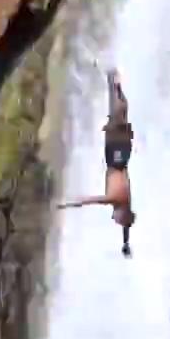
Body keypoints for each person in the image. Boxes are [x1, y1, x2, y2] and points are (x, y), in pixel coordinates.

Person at [58, 67, 137, 256]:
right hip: (117, 159)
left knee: (116, 120)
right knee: (117, 121)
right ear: (122, 214)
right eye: (117, 218)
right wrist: (67, 204)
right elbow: (90, 201)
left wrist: (125, 243)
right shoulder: (116, 199)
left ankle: (114, 85)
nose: (114, 219)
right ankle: (116, 86)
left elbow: (126, 226)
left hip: (119, 159)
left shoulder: (125, 206)